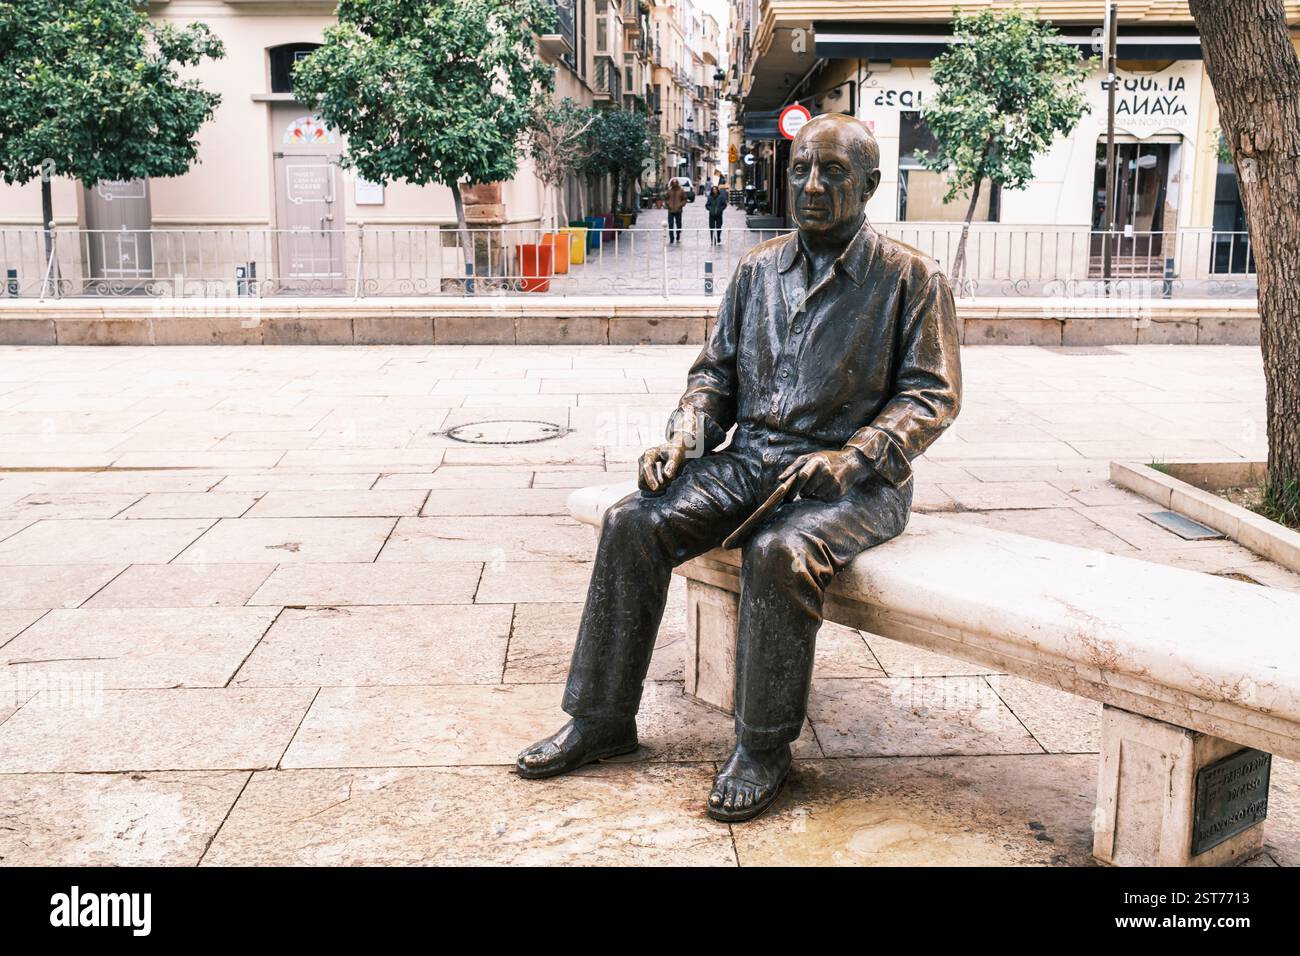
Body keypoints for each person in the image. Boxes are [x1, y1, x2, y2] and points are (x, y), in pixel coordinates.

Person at [516, 113, 962, 823]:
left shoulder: (911, 278)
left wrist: (853, 456)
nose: (812, 186)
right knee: (633, 520)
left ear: (871, 186)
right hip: (750, 459)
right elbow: (714, 377)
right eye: (801, 171)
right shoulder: (757, 271)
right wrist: (682, 442)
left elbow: (931, 396)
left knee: (779, 551)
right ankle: (602, 720)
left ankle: (762, 747)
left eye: (834, 173)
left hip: (856, 484)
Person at [665, 179, 687, 244]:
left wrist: (680, 205)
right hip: (670, 210)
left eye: (675, 182)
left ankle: (678, 235)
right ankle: (671, 238)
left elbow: (684, 199)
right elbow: (665, 198)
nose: (674, 184)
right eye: (673, 183)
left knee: (679, 224)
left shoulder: (681, 191)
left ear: (677, 183)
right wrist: (668, 204)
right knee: (671, 225)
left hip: (678, 210)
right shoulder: (669, 191)